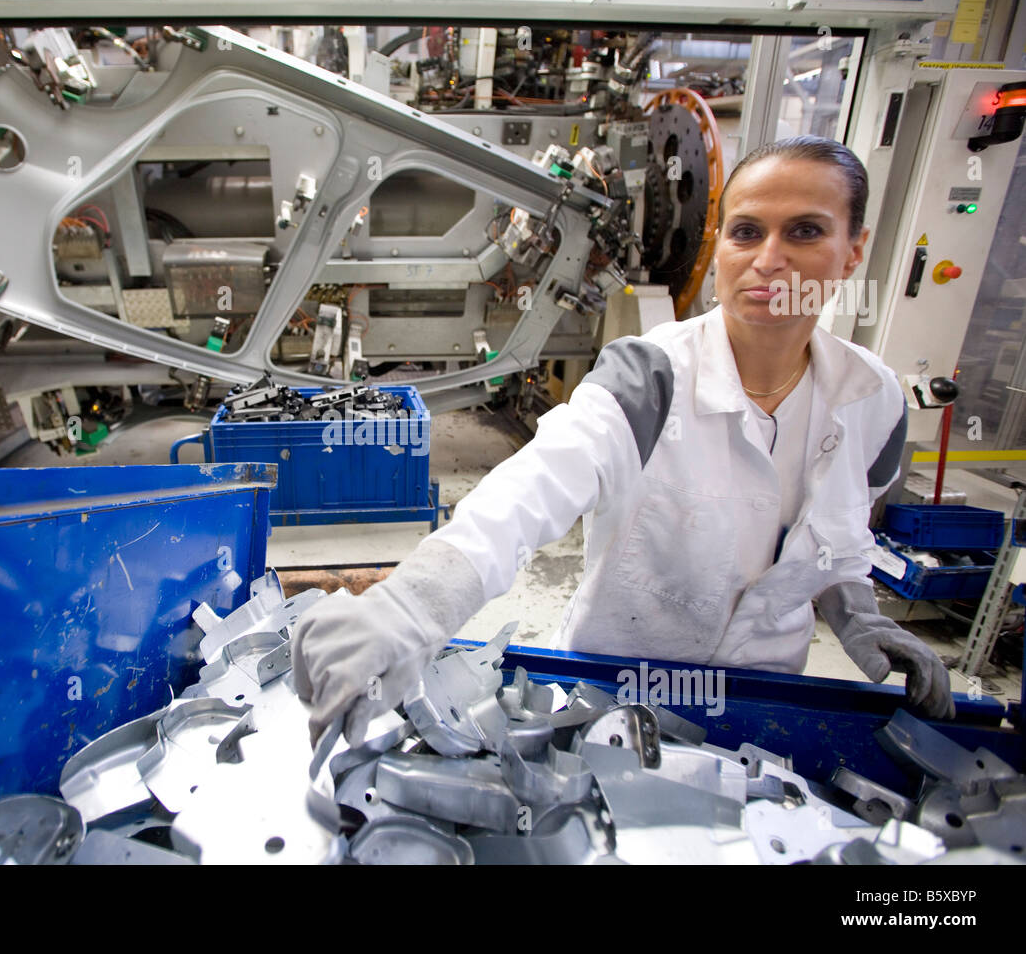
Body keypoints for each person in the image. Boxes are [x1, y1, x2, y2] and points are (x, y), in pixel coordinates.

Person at [291, 135, 955, 745]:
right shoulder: (653, 376)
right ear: (721, 247)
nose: (769, 260)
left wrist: (857, 613)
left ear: (854, 250)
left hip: (761, 702)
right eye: (746, 232)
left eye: (806, 231)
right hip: (607, 694)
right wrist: (413, 604)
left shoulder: (875, 401)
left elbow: (835, 544)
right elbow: (528, 493)